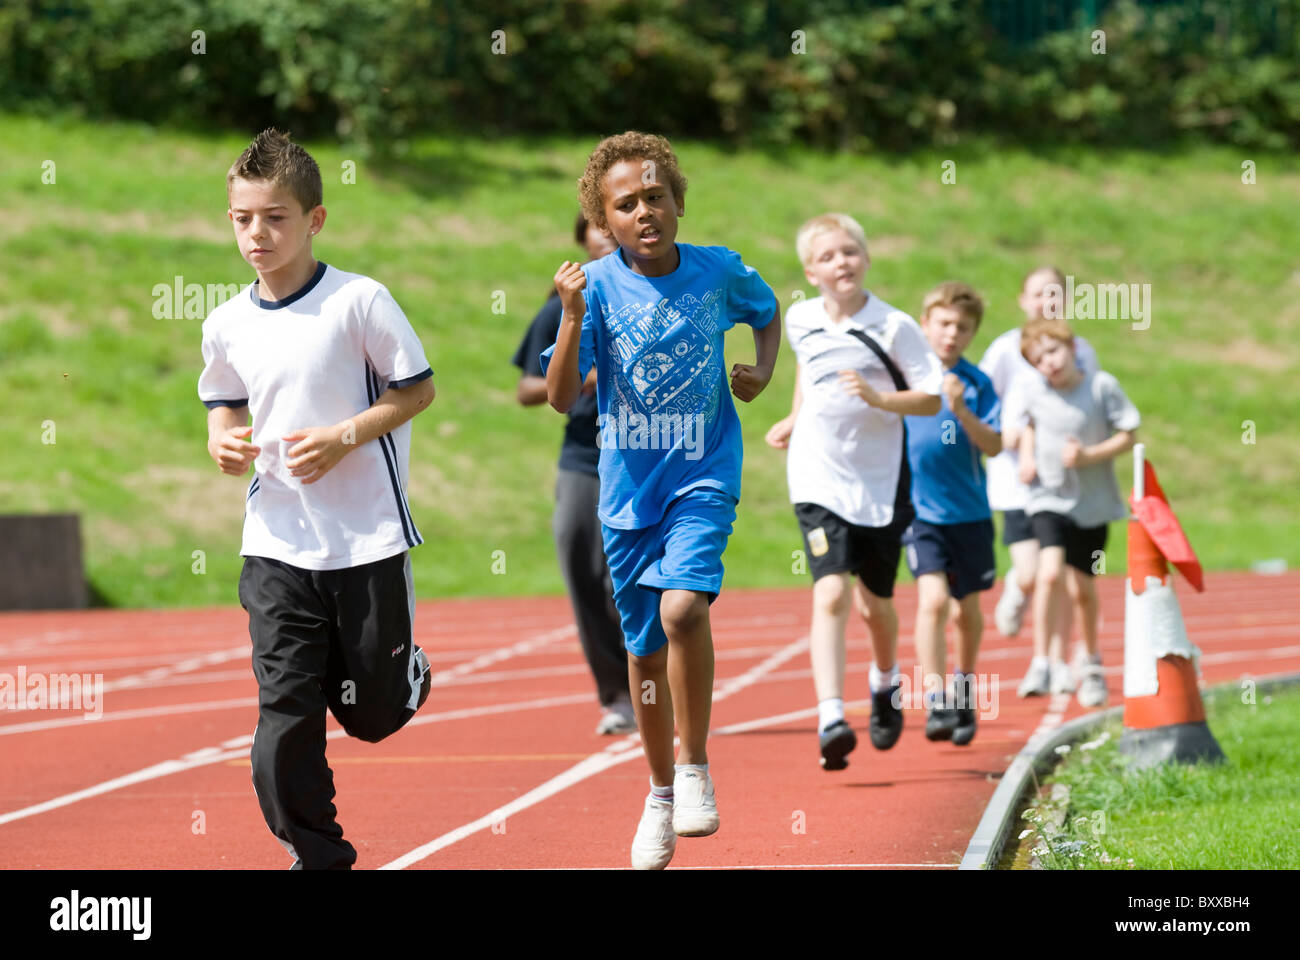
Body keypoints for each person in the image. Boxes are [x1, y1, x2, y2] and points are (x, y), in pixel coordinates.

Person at [542, 131, 781, 869]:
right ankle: (659, 792)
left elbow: (768, 312)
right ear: (602, 221)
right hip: (626, 493)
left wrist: (763, 373)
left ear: (678, 203)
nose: (643, 212)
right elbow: (558, 398)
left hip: (703, 474)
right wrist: (574, 315)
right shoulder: (600, 287)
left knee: (684, 609)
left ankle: (697, 762)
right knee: (642, 655)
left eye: (655, 196)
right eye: (625, 205)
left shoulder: (718, 272)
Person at [198, 129, 435, 869]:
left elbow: (416, 388)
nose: (256, 234)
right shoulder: (226, 322)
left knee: (371, 717)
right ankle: (319, 856)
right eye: (242, 218)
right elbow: (223, 400)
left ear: (314, 220)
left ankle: (408, 675)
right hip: (275, 545)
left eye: (274, 217)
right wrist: (223, 439)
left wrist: (345, 437)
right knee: (282, 723)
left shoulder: (359, 301)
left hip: (365, 540)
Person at [766, 213, 942, 771]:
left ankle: (885, 683)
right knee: (831, 594)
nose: (840, 262)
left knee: (876, 605)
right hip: (817, 474)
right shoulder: (799, 318)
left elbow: (932, 399)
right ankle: (831, 717)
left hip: (880, 480)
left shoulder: (895, 327)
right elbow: (807, 371)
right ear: (809, 271)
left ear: (865, 258)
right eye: (827, 256)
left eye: (849, 252)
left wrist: (879, 399)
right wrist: (795, 419)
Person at [512, 213, 634, 735]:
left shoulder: (653, 299)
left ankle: (658, 683)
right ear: (582, 239)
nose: (606, 238)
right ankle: (618, 698)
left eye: (616, 228)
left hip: (643, 454)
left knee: (626, 582)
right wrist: (577, 379)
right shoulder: (562, 308)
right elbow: (526, 389)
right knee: (579, 559)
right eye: (597, 231)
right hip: (584, 457)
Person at [979, 266, 1100, 696]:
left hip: (1063, 484)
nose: (1046, 303)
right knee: (1032, 573)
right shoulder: (1005, 350)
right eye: (1038, 295)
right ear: (1022, 300)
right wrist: (1005, 435)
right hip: (1017, 480)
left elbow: (1091, 403)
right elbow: (982, 397)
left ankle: (1051, 662)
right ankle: (1016, 587)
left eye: (1055, 295)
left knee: (1062, 575)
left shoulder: (1080, 351)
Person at [1014, 317, 1140, 708]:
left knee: (1083, 587)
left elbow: (1128, 435)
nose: (1048, 363)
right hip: (1048, 497)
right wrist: (1026, 455)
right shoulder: (1035, 392)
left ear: (1072, 347)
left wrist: (1089, 455)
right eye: (1038, 359)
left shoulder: (1102, 387)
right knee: (1048, 573)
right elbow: (1029, 425)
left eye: (1052, 351)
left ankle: (1090, 661)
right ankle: (1044, 661)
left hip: (1093, 504)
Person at [902, 283, 1001, 745]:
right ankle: (936, 696)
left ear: (972, 333)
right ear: (925, 324)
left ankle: (964, 684)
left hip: (970, 514)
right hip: (919, 514)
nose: (951, 334)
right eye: (943, 323)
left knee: (967, 610)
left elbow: (995, 444)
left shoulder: (977, 384)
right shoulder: (906, 377)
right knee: (933, 601)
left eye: (962, 327)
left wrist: (960, 408)